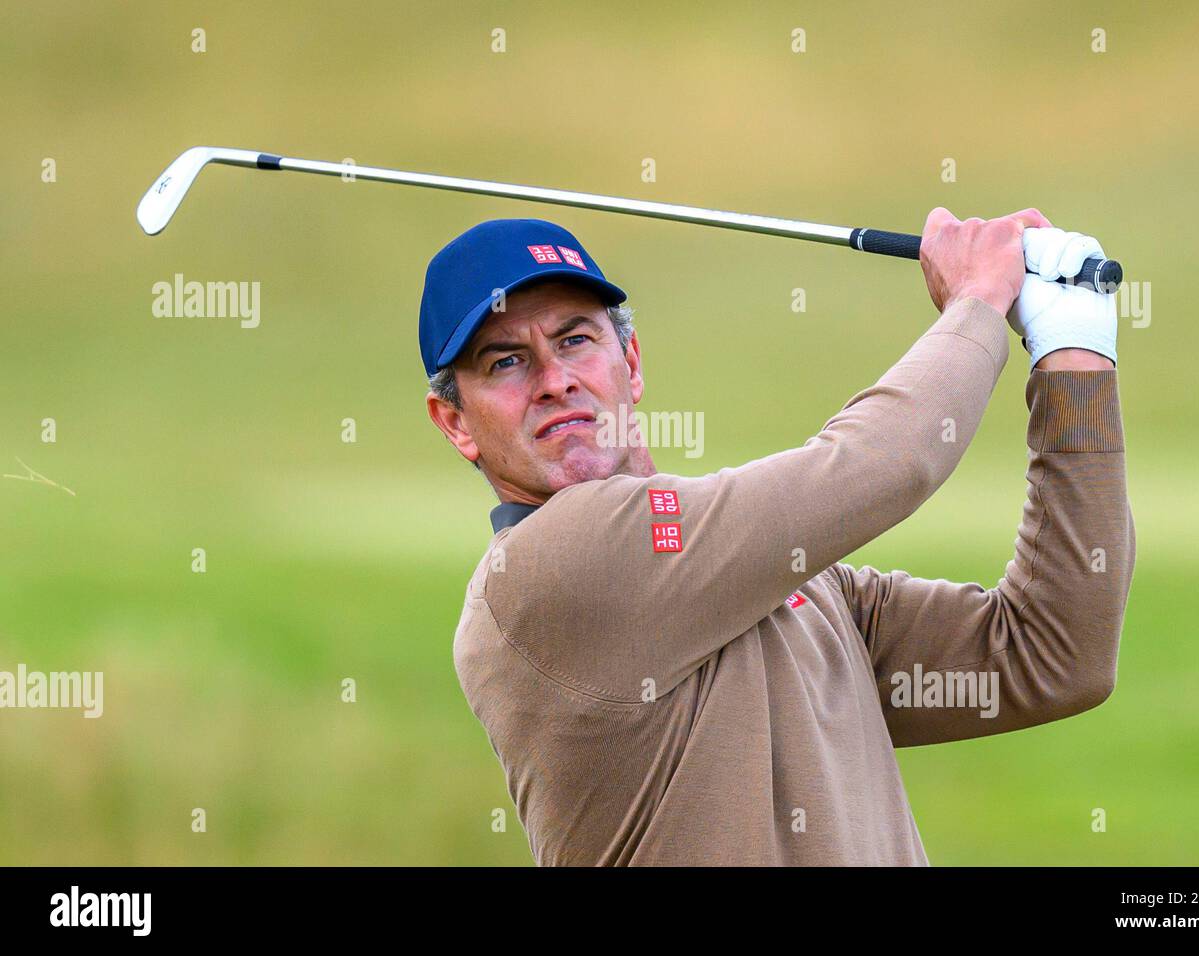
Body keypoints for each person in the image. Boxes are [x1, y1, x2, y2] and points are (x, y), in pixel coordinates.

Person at [420, 210, 1136, 865]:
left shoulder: (787, 581)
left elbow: (1052, 654)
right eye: (505, 361)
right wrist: (978, 297)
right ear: (455, 423)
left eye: (574, 340)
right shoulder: (546, 571)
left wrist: (1075, 354)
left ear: (630, 364)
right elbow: (884, 462)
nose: (554, 380)